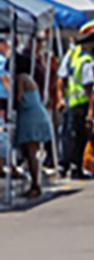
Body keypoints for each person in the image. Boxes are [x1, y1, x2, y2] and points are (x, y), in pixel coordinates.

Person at [58, 20, 94, 178]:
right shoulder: (75, 55)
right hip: (80, 102)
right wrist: (60, 99)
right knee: (77, 137)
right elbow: (62, 78)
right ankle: (75, 166)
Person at [10, 54, 53, 199]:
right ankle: (34, 183)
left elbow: (19, 98)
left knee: (31, 152)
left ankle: (35, 185)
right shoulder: (29, 77)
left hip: (30, 117)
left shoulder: (21, 78)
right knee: (31, 152)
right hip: (36, 114)